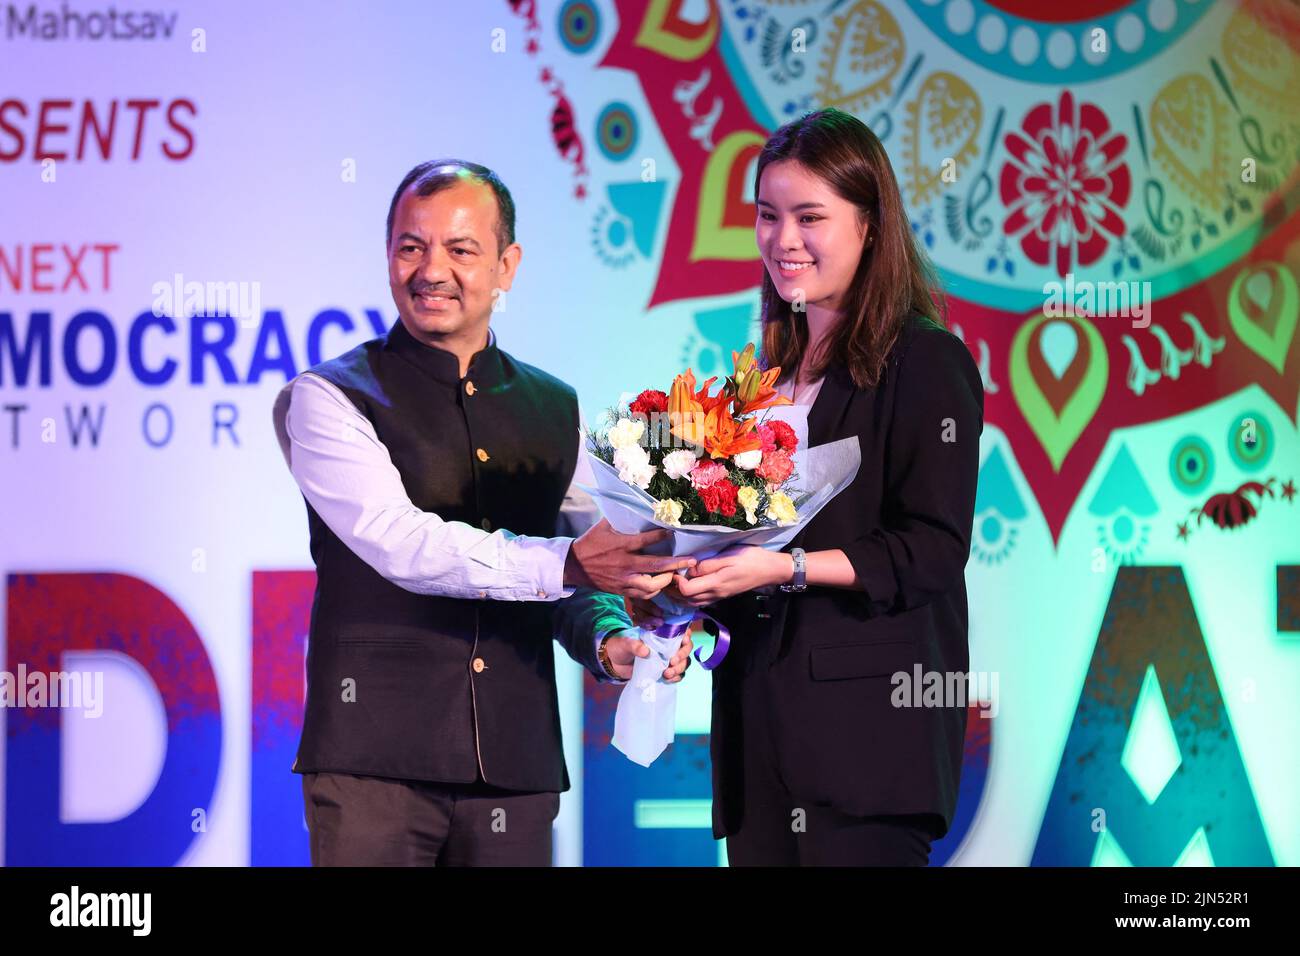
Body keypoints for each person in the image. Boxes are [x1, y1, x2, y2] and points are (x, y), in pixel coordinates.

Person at [272, 159, 692, 866]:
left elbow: (579, 566)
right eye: (412, 246)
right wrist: (569, 562)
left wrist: (617, 639)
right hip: (375, 768)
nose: (431, 270)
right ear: (387, 257)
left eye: (460, 249)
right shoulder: (328, 397)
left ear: (507, 266)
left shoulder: (555, 407)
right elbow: (401, 543)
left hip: (515, 767)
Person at [670, 109, 984, 865]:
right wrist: (685, 579)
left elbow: (933, 550)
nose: (785, 241)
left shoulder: (925, 360)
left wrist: (786, 567)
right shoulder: (762, 380)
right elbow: (745, 543)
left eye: (811, 217)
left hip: (867, 751)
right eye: (768, 216)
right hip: (757, 741)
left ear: (871, 225)